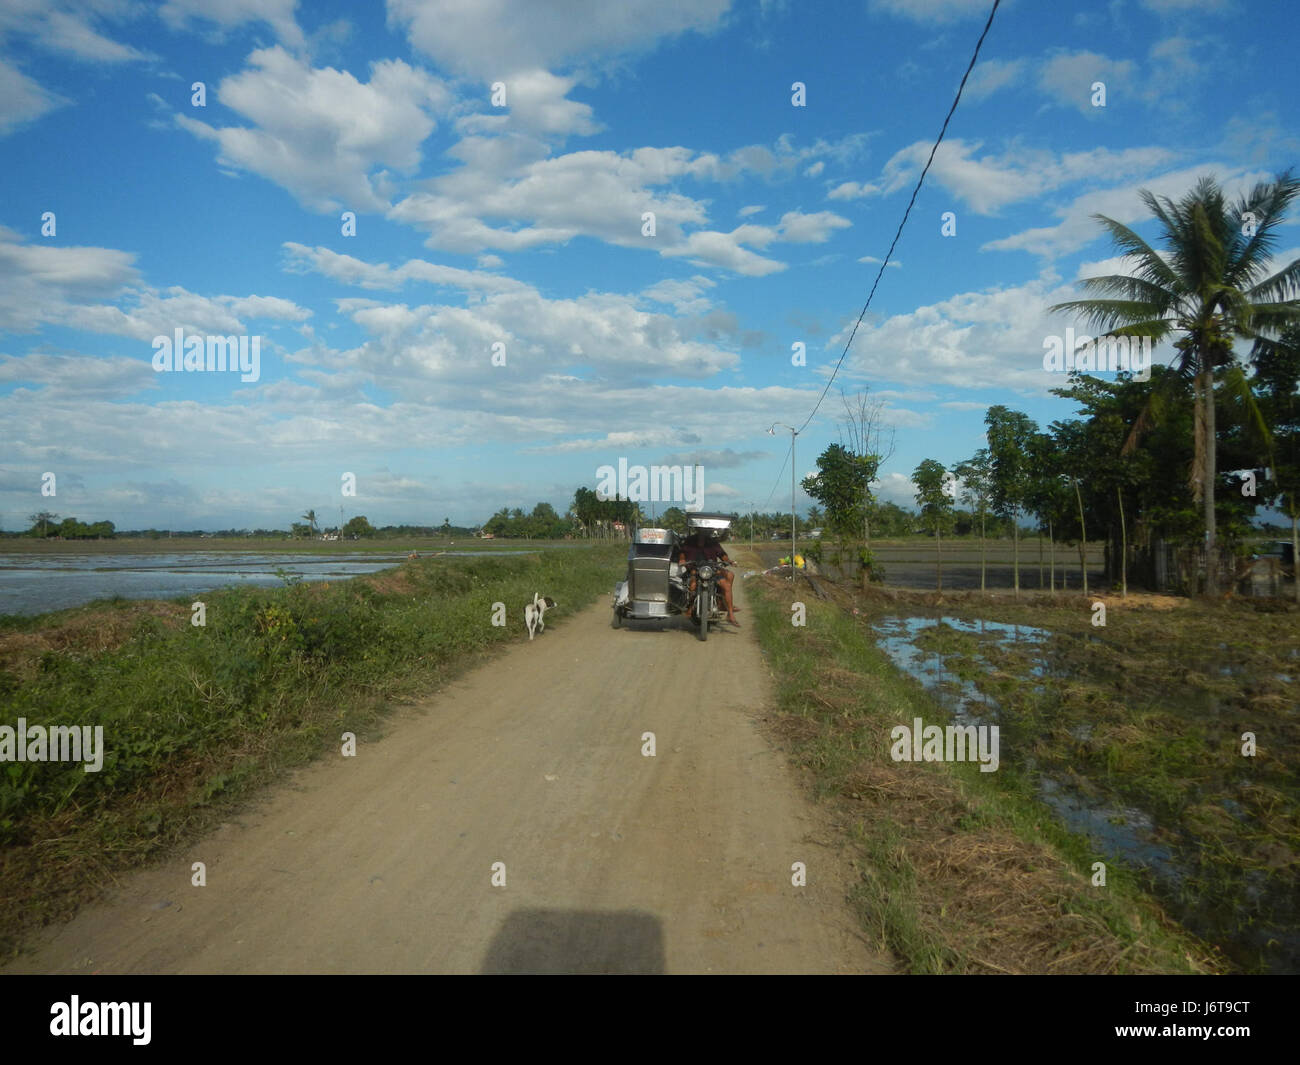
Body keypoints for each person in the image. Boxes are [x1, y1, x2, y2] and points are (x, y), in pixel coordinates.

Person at [677, 528, 739, 626]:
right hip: (694, 569)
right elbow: (682, 552)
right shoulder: (689, 541)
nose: (704, 532)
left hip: (711, 570)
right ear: (698, 530)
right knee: (692, 586)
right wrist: (682, 560)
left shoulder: (712, 542)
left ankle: (729, 613)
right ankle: (690, 607)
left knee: (727, 584)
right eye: (702, 530)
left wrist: (728, 560)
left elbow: (722, 554)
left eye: (706, 531)